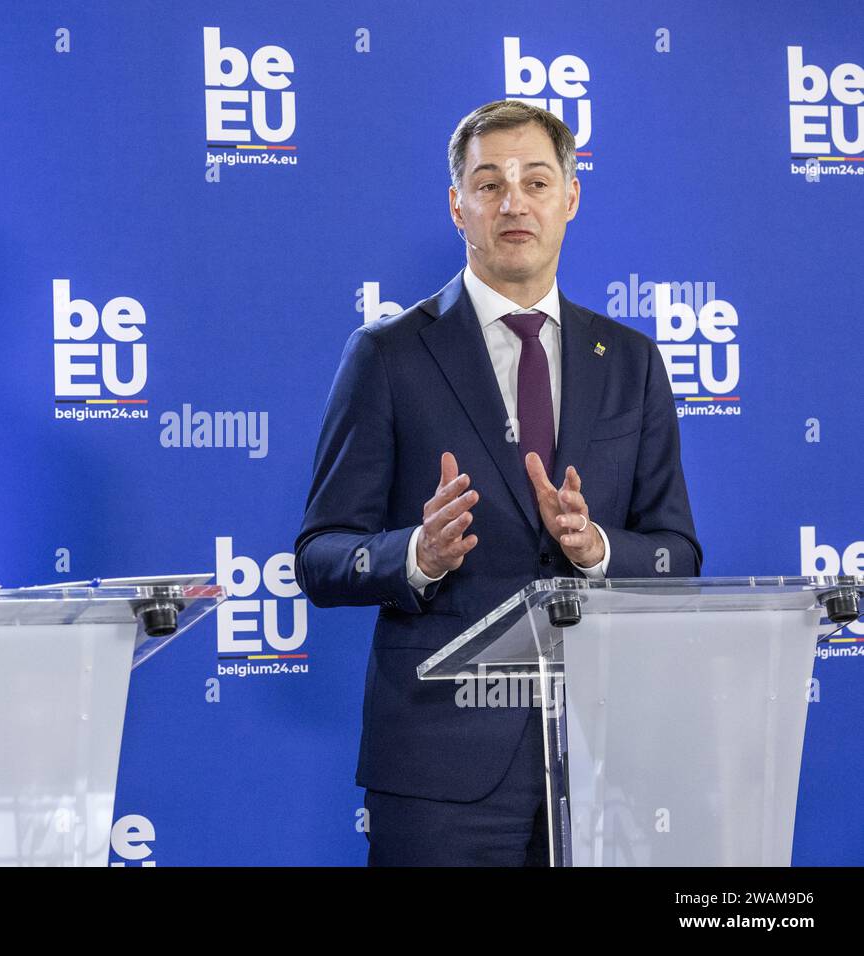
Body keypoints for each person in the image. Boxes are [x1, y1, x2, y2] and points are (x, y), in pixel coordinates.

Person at [295, 100, 702, 866]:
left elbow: (678, 554)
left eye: (536, 181)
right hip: (438, 772)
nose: (513, 202)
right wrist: (417, 554)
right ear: (458, 207)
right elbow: (321, 555)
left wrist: (597, 550)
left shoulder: (635, 362)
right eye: (488, 184)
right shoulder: (388, 357)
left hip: (603, 760)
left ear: (571, 199)